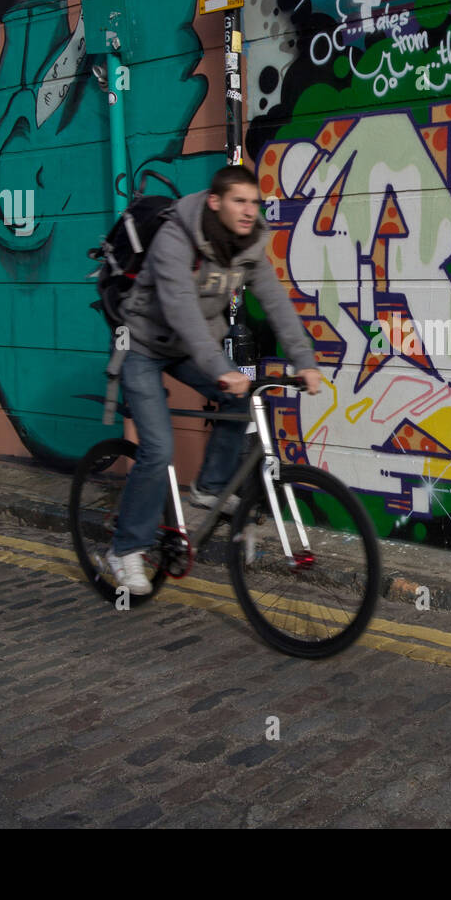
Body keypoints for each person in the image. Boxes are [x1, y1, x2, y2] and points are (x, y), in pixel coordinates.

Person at [107, 164, 321, 594]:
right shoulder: (175, 239)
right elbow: (182, 313)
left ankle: (209, 487)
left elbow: (276, 303)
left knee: (243, 402)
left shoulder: (248, 243)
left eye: (254, 202)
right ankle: (125, 549)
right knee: (158, 449)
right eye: (239, 201)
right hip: (144, 347)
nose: (248, 211)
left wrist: (304, 360)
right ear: (215, 202)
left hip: (190, 350)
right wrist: (222, 370)